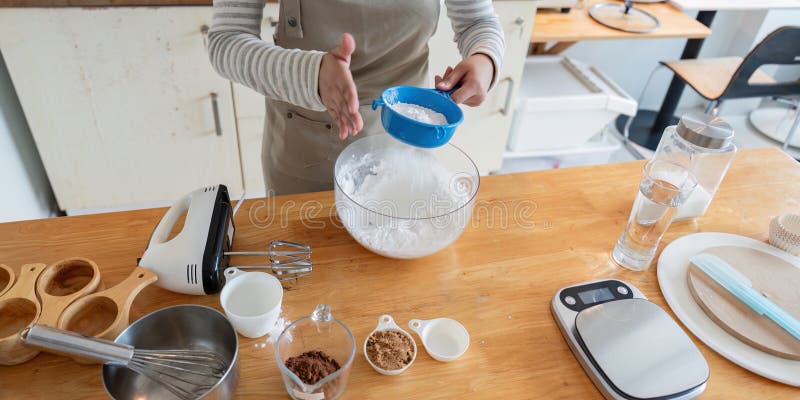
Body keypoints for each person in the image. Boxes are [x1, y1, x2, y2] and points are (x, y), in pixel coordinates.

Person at [208, 0, 504, 195]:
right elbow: (225, 41)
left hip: (406, 143)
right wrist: (310, 74)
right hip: (305, 152)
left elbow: (477, 22)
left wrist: (484, 60)